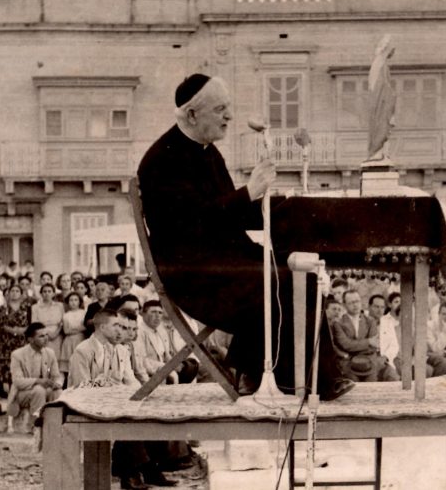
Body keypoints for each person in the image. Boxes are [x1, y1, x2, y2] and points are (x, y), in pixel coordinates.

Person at [137, 73, 353, 400]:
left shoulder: (208, 151)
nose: (229, 117)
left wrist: (292, 205)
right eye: (220, 109)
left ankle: (307, 378)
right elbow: (191, 225)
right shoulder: (160, 161)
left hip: (222, 261)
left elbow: (233, 212)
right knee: (276, 281)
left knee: (304, 275)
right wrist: (250, 191)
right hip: (193, 274)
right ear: (192, 115)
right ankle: (262, 375)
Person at [68, 310, 177, 489]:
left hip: (113, 403)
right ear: (102, 328)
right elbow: (81, 387)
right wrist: (106, 387)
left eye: (122, 326)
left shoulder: (120, 350)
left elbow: (130, 381)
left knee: (146, 415)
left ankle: (142, 471)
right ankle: (137, 473)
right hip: (87, 404)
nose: (120, 331)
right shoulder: (83, 350)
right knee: (126, 422)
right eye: (116, 326)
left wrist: (141, 398)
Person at [332, 291, 398, 382]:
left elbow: (373, 346)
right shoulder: (338, 323)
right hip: (348, 363)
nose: (355, 305)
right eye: (351, 302)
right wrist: (368, 341)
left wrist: (355, 345)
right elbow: (345, 344)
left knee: (373, 382)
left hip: (369, 361)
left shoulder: (370, 321)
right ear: (344, 305)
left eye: (357, 301)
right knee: (352, 383)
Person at [7, 323, 62, 426]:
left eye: (46, 335)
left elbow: (56, 376)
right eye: (41, 336)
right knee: (39, 390)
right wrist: (38, 381)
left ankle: (55, 425)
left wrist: (57, 383)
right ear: (30, 339)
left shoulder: (50, 353)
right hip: (22, 394)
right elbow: (17, 382)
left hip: (44, 391)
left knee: (58, 392)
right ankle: (35, 426)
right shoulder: (17, 355)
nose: (46, 338)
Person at [138, 300, 197, 384]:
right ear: (143, 314)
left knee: (190, 375)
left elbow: (167, 355)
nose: (157, 316)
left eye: (160, 312)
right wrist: (168, 367)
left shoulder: (161, 331)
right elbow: (142, 361)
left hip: (163, 368)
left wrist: (176, 364)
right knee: (173, 375)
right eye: (153, 312)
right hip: (149, 371)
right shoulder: (139, 332)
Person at [0, 284, 31, 396]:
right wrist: (14, 331)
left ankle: (21, 387)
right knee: (6, 362)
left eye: (17, 291)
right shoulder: (2, 308)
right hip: (6, 340)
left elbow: (30, 323)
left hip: (22, 340)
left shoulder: (27, 307)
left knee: (21, 362)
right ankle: (7, 389)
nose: (14, 293)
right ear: (8, 293)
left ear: (21, 294)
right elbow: (1, 324)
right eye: (12, 291)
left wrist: (22, 331)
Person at [30, 283, 64, 361]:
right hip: (41, 336)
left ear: (54, 293)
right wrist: (47, 333)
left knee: (56, 360)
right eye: (44, 291)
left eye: (49, 291)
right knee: (43, 360)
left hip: (57, 336)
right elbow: (34, 323)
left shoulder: (60, 306)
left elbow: (62, 322)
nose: (47, 293)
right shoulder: (35, 307)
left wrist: (55, 333)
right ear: (41, 293)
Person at [60, 291, 86, 377]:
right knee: (69, 367)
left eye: (76, 300)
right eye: (71, 300)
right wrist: (79, 329)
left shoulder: (83, 313)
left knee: (81, 364)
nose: (73, 302)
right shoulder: (66, 315)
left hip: (81, 339)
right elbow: (66, 331)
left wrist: (75, 329)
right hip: (69, 341)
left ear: (79, 301)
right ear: (68, 302)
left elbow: (85, 328)